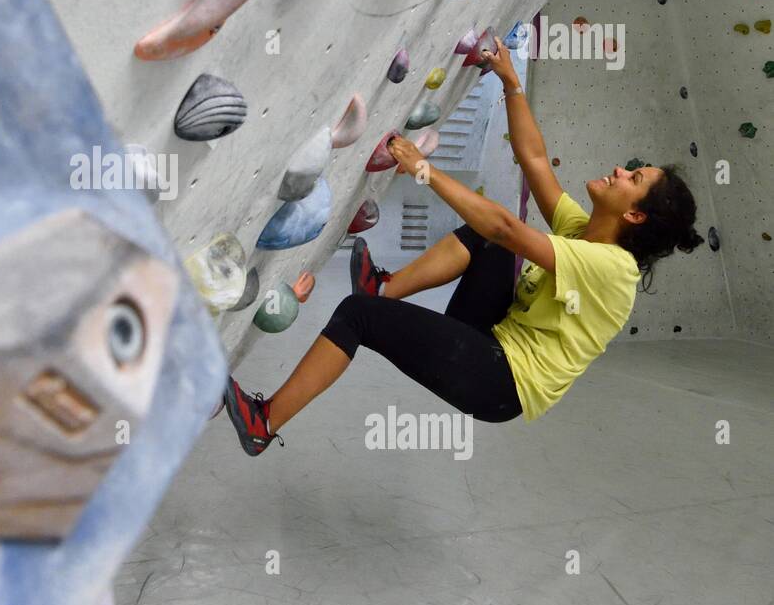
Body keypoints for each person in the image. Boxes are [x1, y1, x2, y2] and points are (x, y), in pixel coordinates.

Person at [224, 37, 704, 455]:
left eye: (633, 178)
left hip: (500, 382)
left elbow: (508, 231)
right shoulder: (584, 229)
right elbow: (534, 160)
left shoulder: (612, 268)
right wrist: (511, 83)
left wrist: (425, 170)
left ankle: (264, 424)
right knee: (490, 237)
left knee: (357, 315)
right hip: (491, 340)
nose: (620, 170)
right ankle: (385, 287)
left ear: (635, 214)